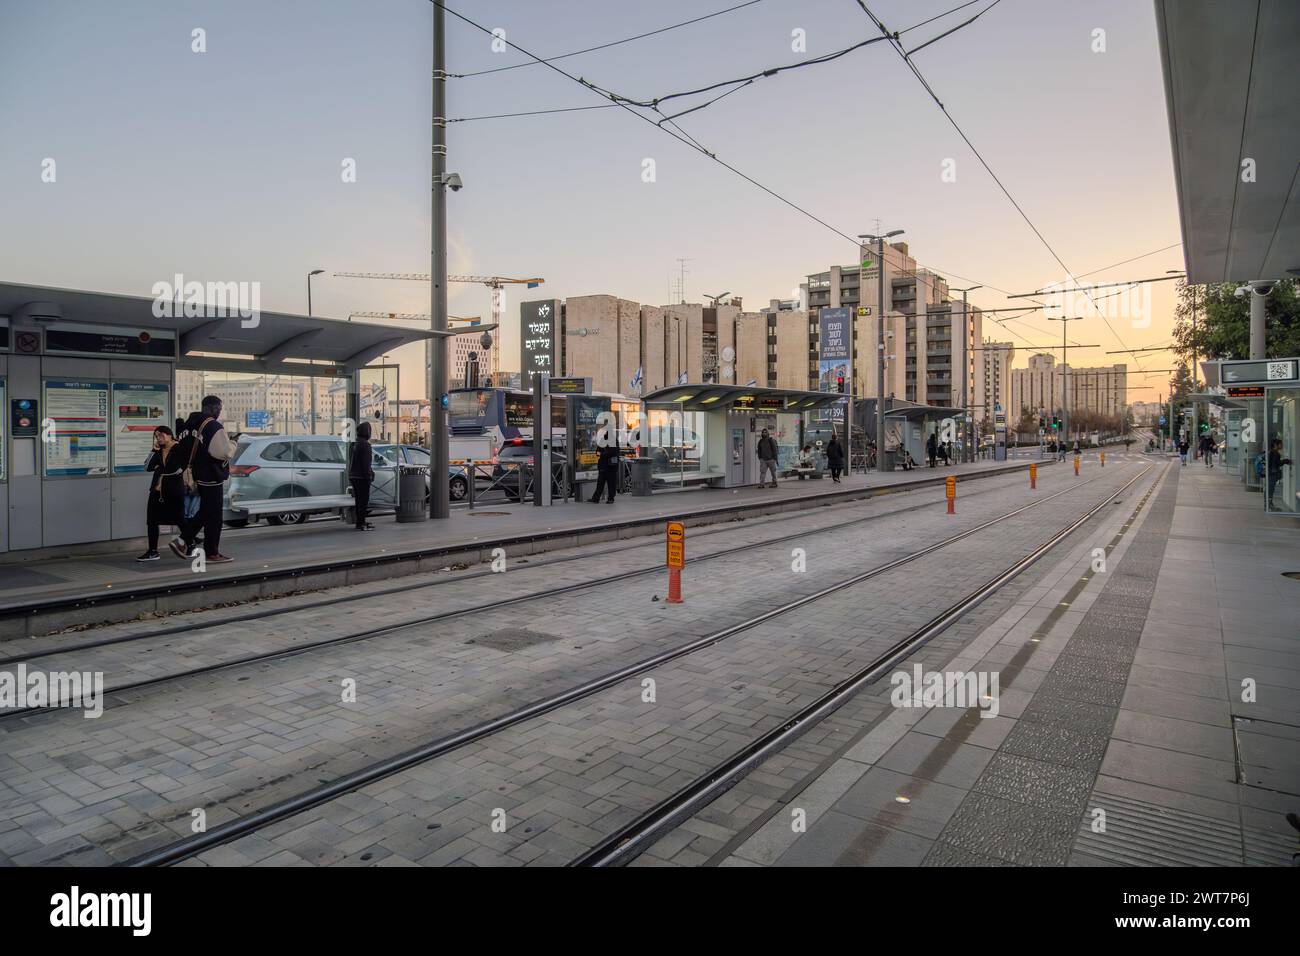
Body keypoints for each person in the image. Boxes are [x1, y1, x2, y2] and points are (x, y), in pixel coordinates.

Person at [172, 395, 236, 563]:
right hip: (212, 476)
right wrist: (234, 443)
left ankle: (182, 541)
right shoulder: (212, 426)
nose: (219, 412)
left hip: (195, 475)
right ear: (212, 408)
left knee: (206, 512)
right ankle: (211, 552)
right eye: (219, 409)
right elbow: (223, 452)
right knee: (214, 517)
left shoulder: (188, 424)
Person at [137, 426, 184, 561]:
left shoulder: (179, 448)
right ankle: (153, 551)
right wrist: (154, 450)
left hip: (174, 490)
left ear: (170, 435)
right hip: (156, 490)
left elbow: (179, 467)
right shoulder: (159, 451)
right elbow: (148, 467)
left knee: (180, 519)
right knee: (152, 521)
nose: (159, 438)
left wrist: (165, 468)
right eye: (157, 436)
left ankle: (190, 544)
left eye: (161, 435)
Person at [350, 420, 376, 530]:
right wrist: (369, 475)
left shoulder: (355, 444)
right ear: (367, 432)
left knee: (358, 500)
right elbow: (366, 464)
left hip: (354, 476)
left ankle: (360, 522)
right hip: (362, 477)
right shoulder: (365, 446)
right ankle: (361, 523)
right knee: (363, 501)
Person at [590, 436, 620, 503]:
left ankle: (608, 498)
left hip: (609, 466)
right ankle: (598, 498)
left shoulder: (612, 440)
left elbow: (612, 452)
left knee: (608, 484)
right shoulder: (604, 440)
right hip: (606, 466)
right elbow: (597, 452)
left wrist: (602, 454)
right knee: (603, 483)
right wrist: (603, 454)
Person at [1268, 439, 1292, 509]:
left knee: (1270, 488)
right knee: (1271, 488)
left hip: (1271, 473)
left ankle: (1269, 503)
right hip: (1272, 473)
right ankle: (1269, 504)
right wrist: (1286, 461)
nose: (1282, 445)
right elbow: (1277, 463)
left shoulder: (1271, 452)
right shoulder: (1275, 453)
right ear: (1276, 445)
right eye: (1281, 444)